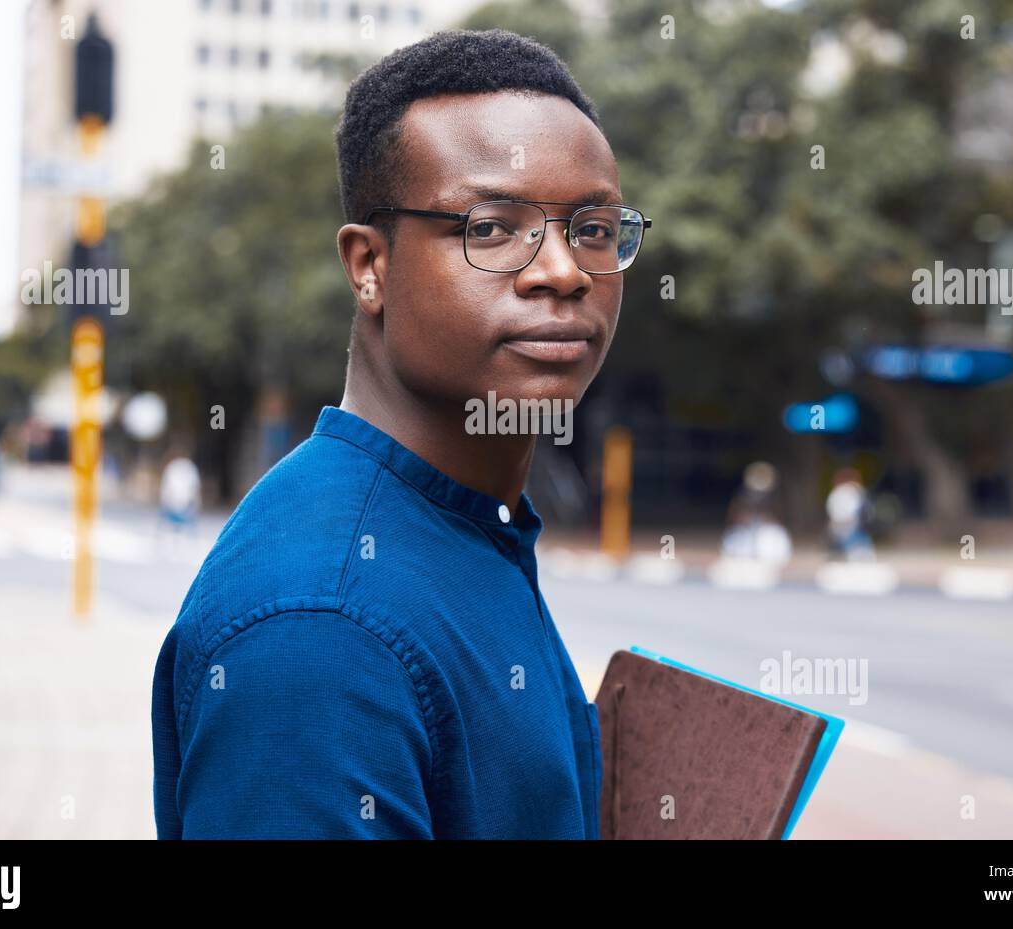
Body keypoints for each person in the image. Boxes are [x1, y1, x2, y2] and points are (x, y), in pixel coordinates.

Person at [151, 29, 652, 838]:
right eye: (491, 227)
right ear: (369, 265)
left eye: (592, 229)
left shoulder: (466, 526)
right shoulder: (321, 625)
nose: (563, 271)